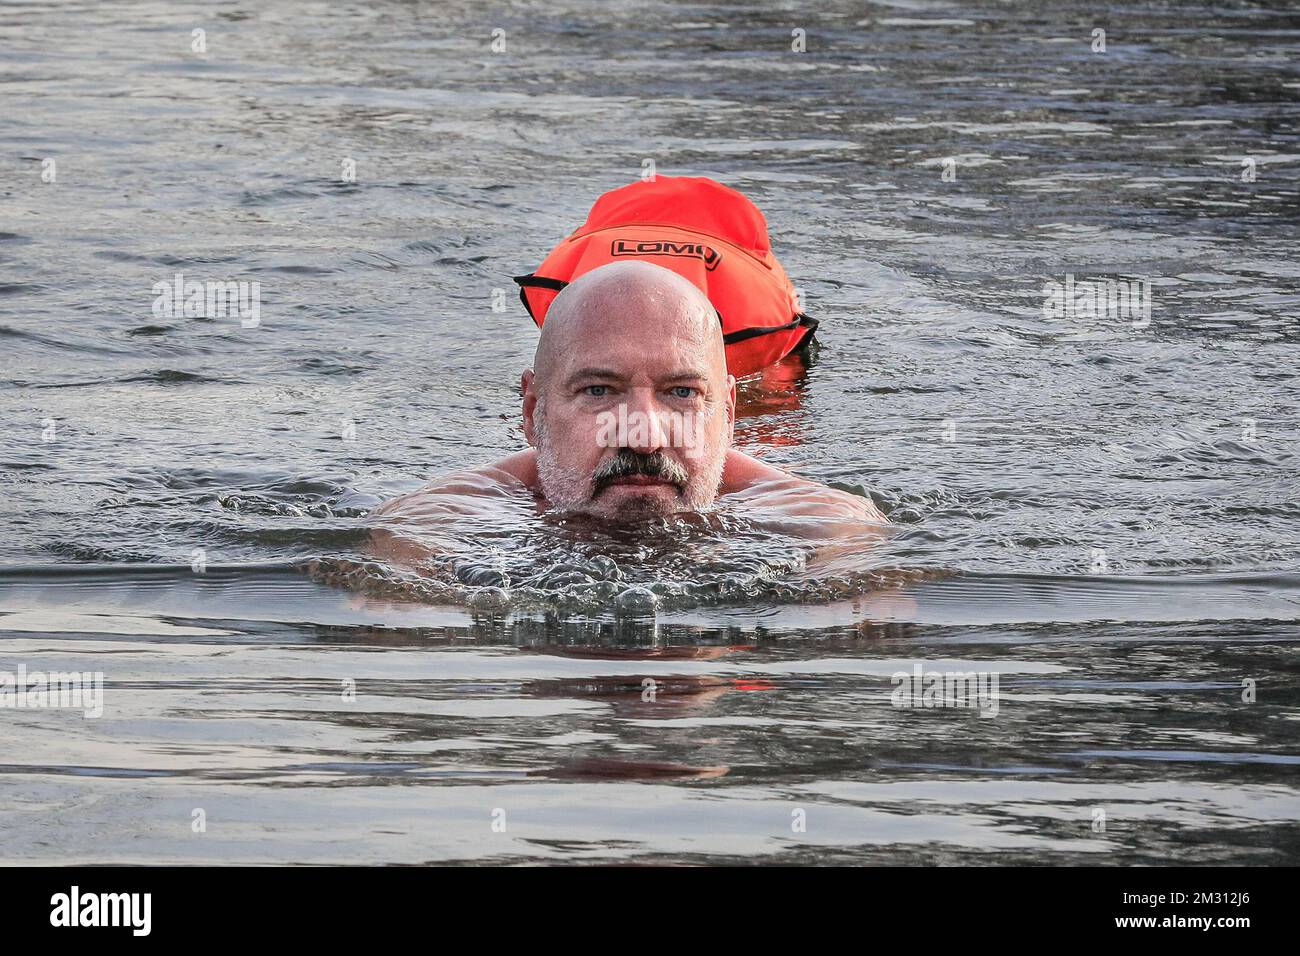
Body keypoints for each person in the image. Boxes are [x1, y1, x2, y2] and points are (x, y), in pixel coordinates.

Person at [370, 260, 886, 564]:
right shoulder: (435, 524)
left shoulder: (826, 525)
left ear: (728, 414)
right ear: (534, 414)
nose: (643, 437)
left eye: (681, 393)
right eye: (599, 391)